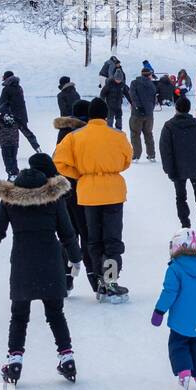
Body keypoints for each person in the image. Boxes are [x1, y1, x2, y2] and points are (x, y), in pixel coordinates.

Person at [0, 153, 83, 383]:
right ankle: (67, 358)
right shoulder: (54, 198)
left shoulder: (10, 200)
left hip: (23, 264)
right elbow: (67, 233)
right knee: (56, 314)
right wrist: (76, 259)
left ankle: (14, 362)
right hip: (52, 263)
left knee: (19, 316)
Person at [52, 98, 133, 302]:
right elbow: (126, 160)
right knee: (112, 240)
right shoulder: (118, 135)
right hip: (113, 192)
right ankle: (111, 279)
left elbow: (59, 162)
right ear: (106, 115)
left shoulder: (75, 137)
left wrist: (81, 174)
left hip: (88, 194)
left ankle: (99, 280)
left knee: (94, 240)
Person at [149, 229, 196, 390]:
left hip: (180, 319)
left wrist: (159, 311)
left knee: (178, 345)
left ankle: (184, 371)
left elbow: (169, 292)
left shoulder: (175, 268)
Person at [159, 96, 196, 242]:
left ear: (176, 108)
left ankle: (186, 227)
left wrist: (169, 170)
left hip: (178, 169)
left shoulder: (169, 126)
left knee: (181, 198)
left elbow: (165, 150)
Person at [0, 71, 41, 153]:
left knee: (12, 136)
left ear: (6, 78)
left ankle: (12, 153)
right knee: (27, 133)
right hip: (22, 116)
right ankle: (38, 148)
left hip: (12, 117)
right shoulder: (19, 88)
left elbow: (2, 104)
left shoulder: (6, 89)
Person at [126, 66, 157, 162]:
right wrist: (149, 109)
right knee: (148, 134)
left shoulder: (134, 83)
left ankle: (136, 155)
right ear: (149, 75)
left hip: (137, 113)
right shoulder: (152, 85)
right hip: (149, 115)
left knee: (135, 134)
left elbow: (133, 96)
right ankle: (151, 155)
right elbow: (154, 100)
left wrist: (139, 107)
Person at [0, 111, 22, 179]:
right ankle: (14, 174)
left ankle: (12, 175)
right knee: (13, 159)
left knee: (7, 160)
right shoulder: (15, 116)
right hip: (14, 143)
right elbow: (24, 129)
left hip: (5, 144)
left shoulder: (0, 118)